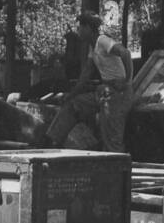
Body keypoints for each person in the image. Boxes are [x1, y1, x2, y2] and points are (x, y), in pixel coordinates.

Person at [46, 11, 134, 152]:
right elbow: (86, 73)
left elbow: (126, 53)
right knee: (73, 105)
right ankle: (51, 142)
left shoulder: (103, 40)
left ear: (87, 28)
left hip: (117, 94)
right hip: (104, 92)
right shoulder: (92, 47)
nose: (78, 31)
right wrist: (71, 95)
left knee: (111, 139)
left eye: (79, 28)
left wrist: (127, 81)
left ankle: (116, 169)